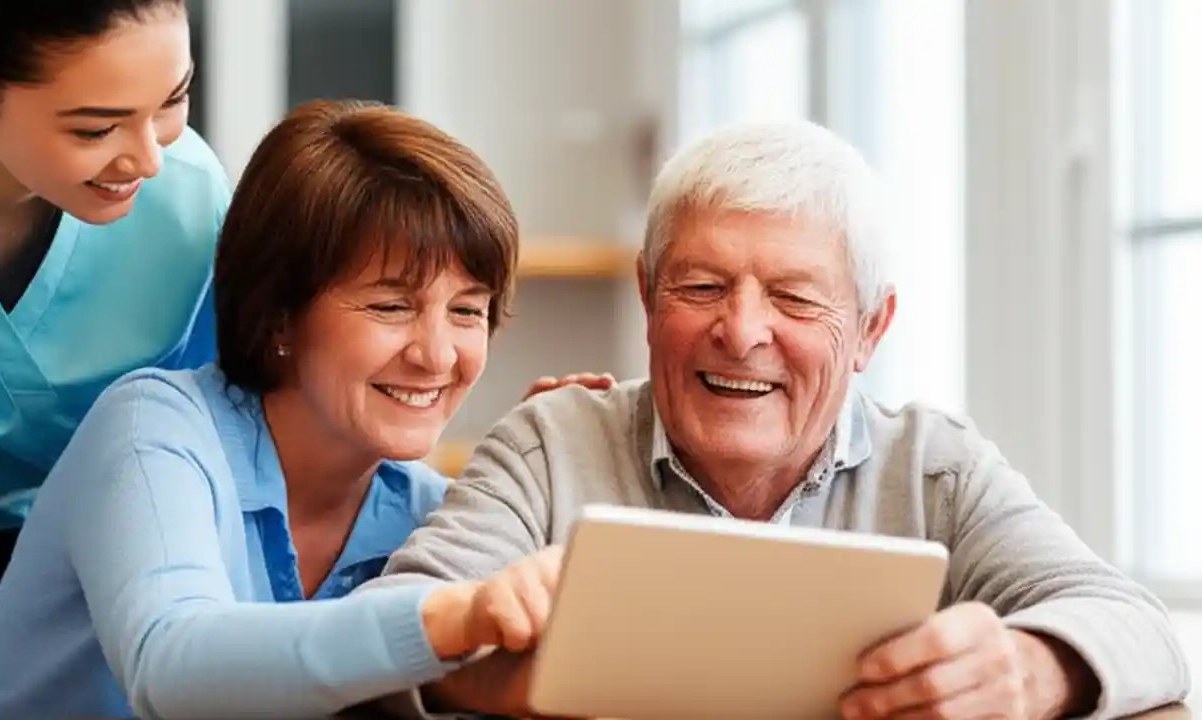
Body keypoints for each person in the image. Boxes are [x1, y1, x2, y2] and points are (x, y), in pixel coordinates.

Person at [367, 121, 1193, 719]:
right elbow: (388, 625)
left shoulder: (935, 466)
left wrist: (1027, 670)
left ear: (870, 329)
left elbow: (1136, 627)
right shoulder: (550, 443)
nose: (741, 332)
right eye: (700, 288)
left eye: (795, 298)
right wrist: (505, 677)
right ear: (648, 297)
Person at [0, 99, 594, 720]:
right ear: (280, 315)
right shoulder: (152, 431)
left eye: (467, 311)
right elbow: (170, 666)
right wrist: (451, 617)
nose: (437, 356)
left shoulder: (431, 516)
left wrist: (542, 491)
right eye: (390, 307)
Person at [0, 0, 231, 666]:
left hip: (100, 559)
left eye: (173, 100)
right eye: (97, 128)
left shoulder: (189, 206)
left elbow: (215, 438)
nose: (148, 160)